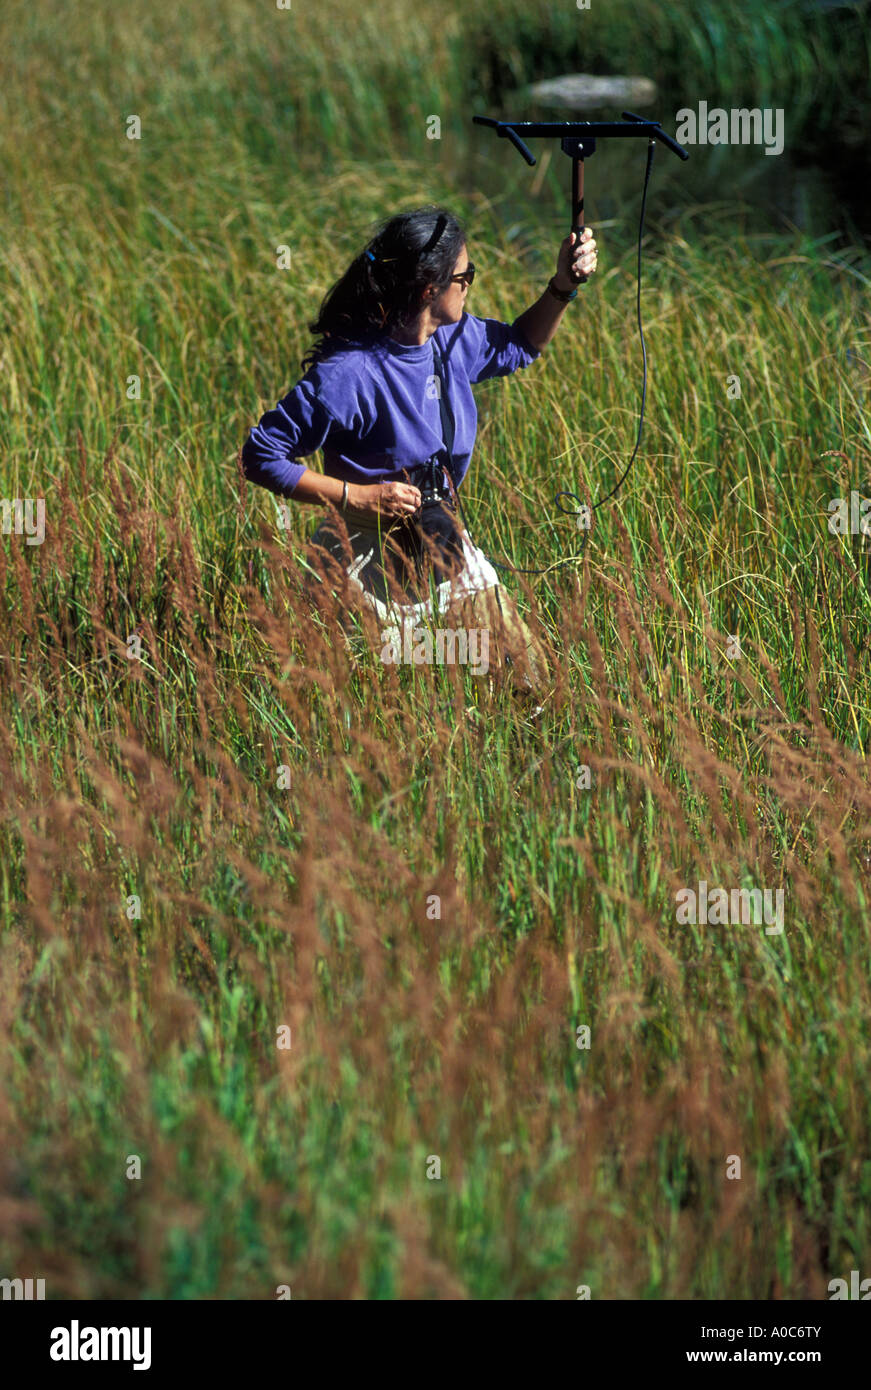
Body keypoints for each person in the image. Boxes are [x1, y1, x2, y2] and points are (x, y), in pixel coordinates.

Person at [240, 205, 598, 695]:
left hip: (444, 543)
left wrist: (562, 286)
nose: (471, 282)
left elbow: (519, 344)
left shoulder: (454, 337)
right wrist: (356, 497)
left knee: (530, 686)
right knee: (388, 712)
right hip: (365, 564)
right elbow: (260, 455)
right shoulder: (351, 374)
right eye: (465, 274)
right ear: (430, 289)